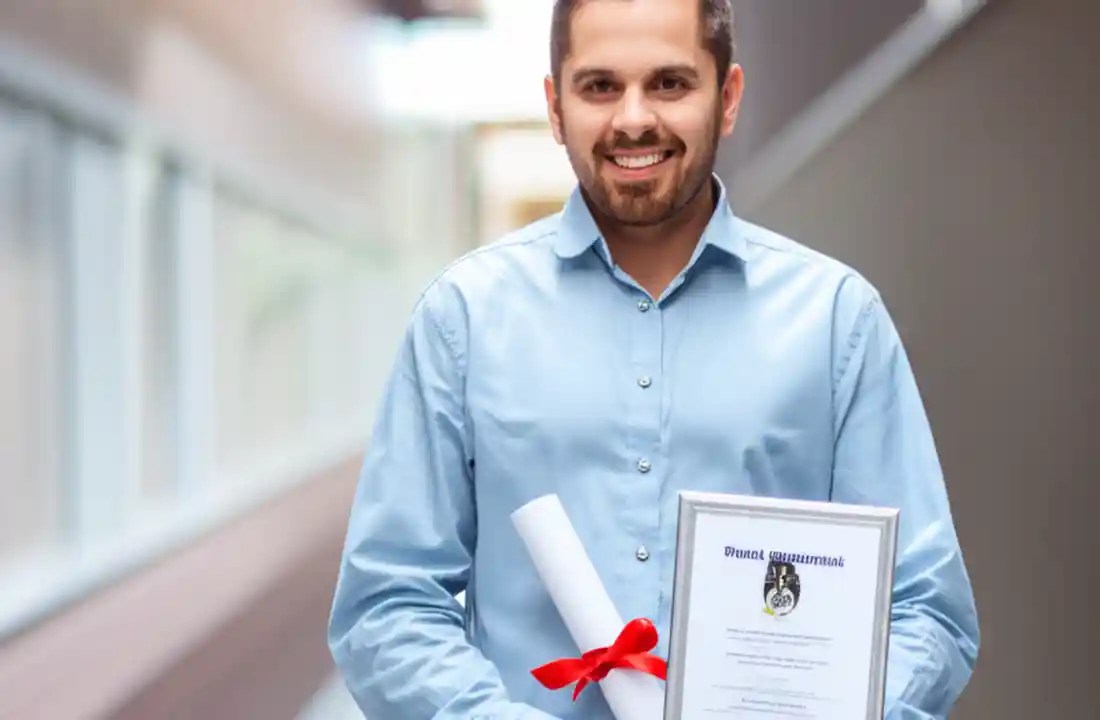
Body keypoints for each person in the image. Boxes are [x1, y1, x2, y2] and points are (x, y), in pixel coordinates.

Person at [327, 0, 980, 717]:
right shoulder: (463, 321)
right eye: (600, 86)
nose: (633, 119)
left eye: (669, 84)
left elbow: (926, 611)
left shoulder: (836, 324)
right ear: (554, 106)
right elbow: (386, 607)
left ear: (727, 97)